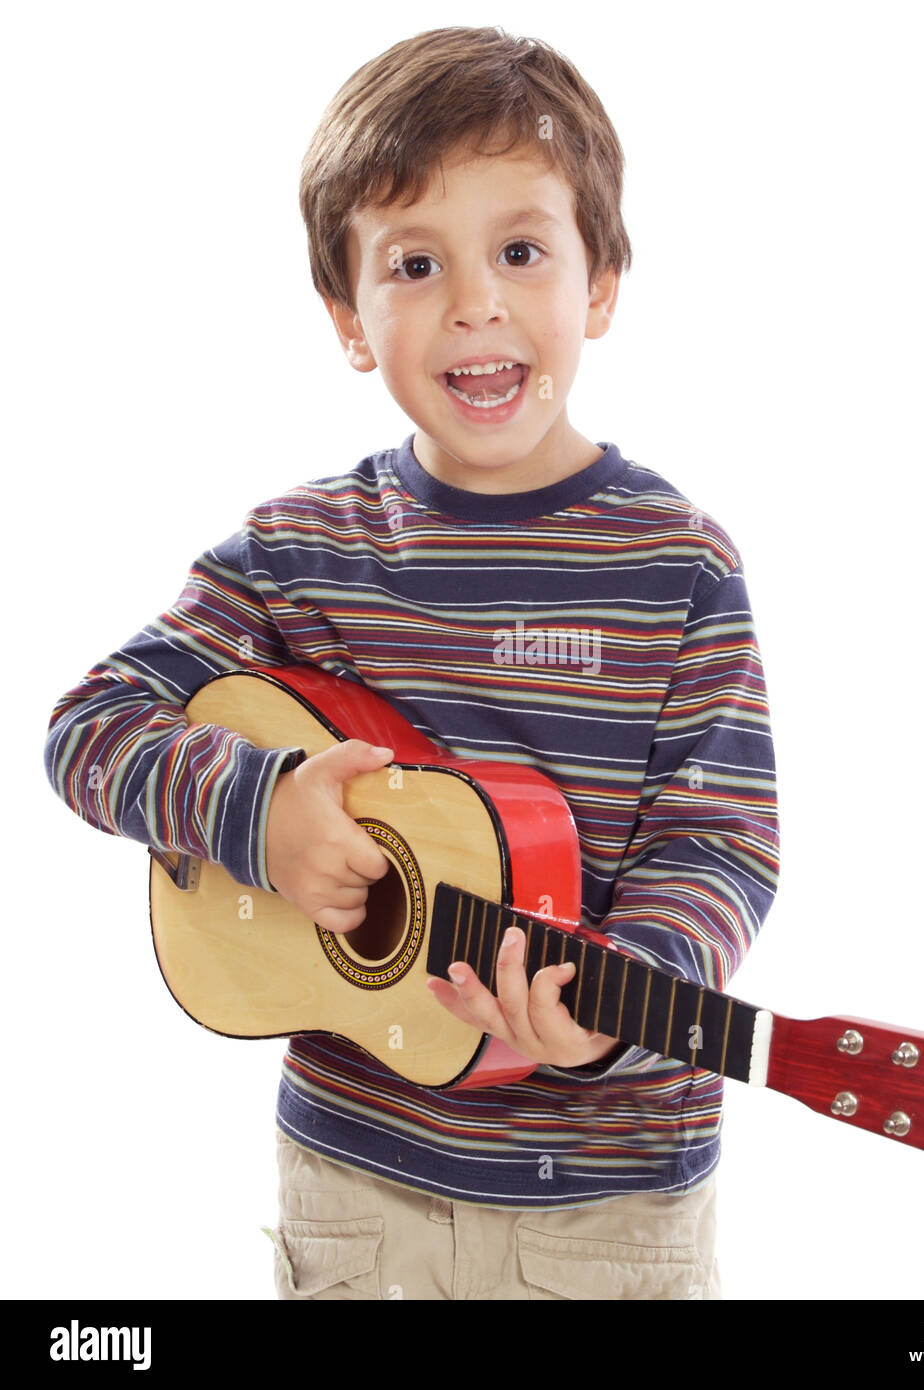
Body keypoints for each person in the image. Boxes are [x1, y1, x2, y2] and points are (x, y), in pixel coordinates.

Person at [44, 25, 779, 1300]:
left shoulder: (677, 562)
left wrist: (629, 992)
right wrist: (257, 811)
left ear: (599, 283)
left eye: (519, 251)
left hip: (603, 1202)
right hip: (354, 1187)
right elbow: (90, 724)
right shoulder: (295, 550)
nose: (474, 302)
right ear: (346, 313)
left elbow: (720, 844)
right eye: (415, 262)